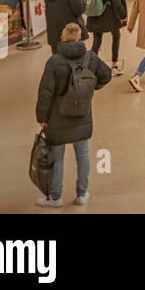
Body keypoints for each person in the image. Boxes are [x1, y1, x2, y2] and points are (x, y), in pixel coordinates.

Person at [34, 22, 111, 208]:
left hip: (57, 116)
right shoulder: (90, 57)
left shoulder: (54, 62)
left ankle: (55, 197)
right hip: (81, 113)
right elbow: (106, 75)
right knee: (83, 154)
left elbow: (45, 92)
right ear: (80, 38)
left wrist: (41, 118)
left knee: (57, 158)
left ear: (62, 38)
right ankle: (82, 194)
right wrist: (88, 90)